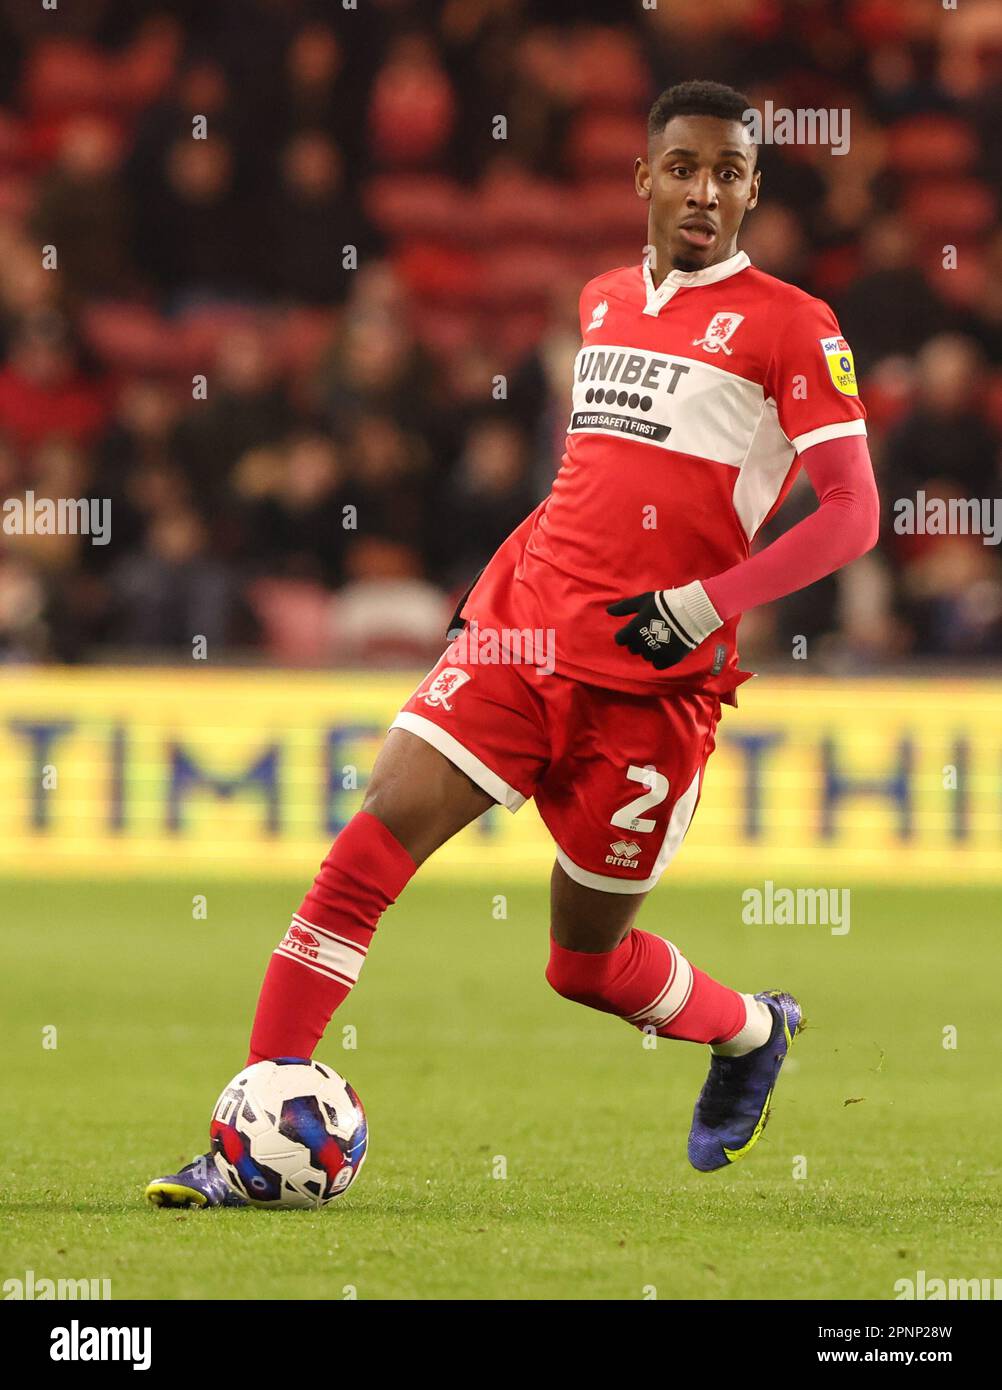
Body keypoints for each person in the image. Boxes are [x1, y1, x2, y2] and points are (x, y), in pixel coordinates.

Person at [147, 80, 879, 1207]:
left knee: (582, 963)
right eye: (682, 166)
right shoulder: (596, 302)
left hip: (652, 687)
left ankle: (747, 1032)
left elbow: (852, 515)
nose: (703, 191)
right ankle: (246, 1130)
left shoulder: (793, 325)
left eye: (728, 173)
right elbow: (586, 485)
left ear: (752, 191)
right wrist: (491, 599)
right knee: (364, 852)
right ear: (643, 178)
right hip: (525, 641)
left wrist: (704, 602)